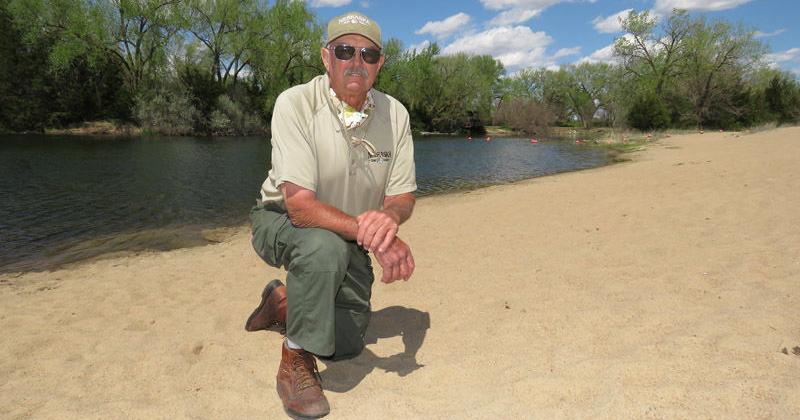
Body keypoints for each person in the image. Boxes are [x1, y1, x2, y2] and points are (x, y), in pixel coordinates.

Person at [244, 11, 417, 419]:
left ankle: (283, 303)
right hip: (281, 219)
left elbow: (403, 195)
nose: (356, 61)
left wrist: (389, 219)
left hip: (348, 232)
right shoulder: (295, 103)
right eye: (345, 50)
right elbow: (300, 206)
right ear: (326, 58)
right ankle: (295, 361)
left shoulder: (396, 114)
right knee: (324, 251)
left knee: (346, 345)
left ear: (380, 64)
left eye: (368, 54)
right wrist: (376, 236)